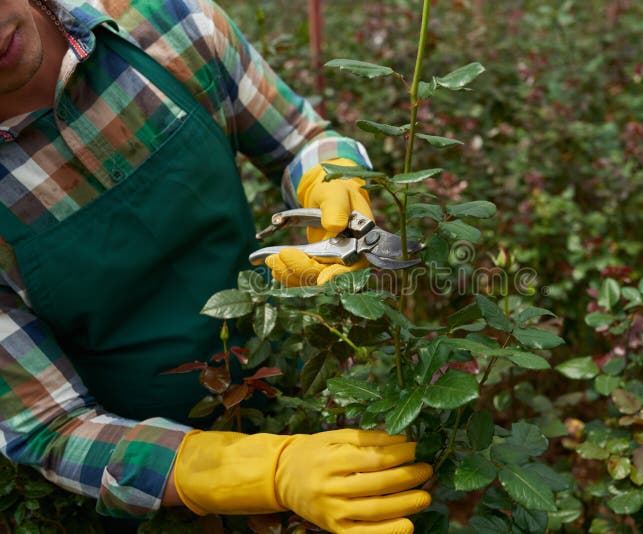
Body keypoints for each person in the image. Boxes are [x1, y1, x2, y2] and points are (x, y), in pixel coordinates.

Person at [0, 0, 432, 532]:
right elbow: (49, 426)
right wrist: (255, 473)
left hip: (295, 385)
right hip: (158, 494)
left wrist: (330, 181)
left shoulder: (167, 22)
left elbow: (300, 138)